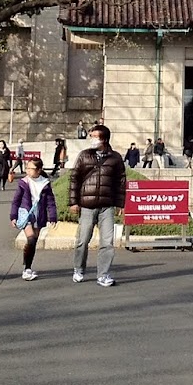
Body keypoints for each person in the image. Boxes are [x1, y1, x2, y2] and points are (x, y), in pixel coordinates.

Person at [69, 123, 126, 287]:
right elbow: (74, 179)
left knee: (107, 242)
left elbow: (121, 182)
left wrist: (120, 203)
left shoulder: (115, 158)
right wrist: (74, 202)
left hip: (107, 206)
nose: (92, 139)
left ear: (104, 139)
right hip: (87, 204)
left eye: (95, 136)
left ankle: (103, 274)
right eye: (91, 136)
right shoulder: (84, 155)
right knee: (83, 239)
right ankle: (78, 269)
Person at [10, 157, 58, 281]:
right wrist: (13, 216)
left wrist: (52, 216)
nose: (27, 170)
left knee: (33, 242)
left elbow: (50, 202)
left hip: (39, 215)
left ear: (38, 170)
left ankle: (28, 265)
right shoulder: (23, 183)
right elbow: (16, 201)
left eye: (30, 168)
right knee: (31, 238)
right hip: (26, 213)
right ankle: (26, 270)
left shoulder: (45, 184)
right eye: (27, 168)